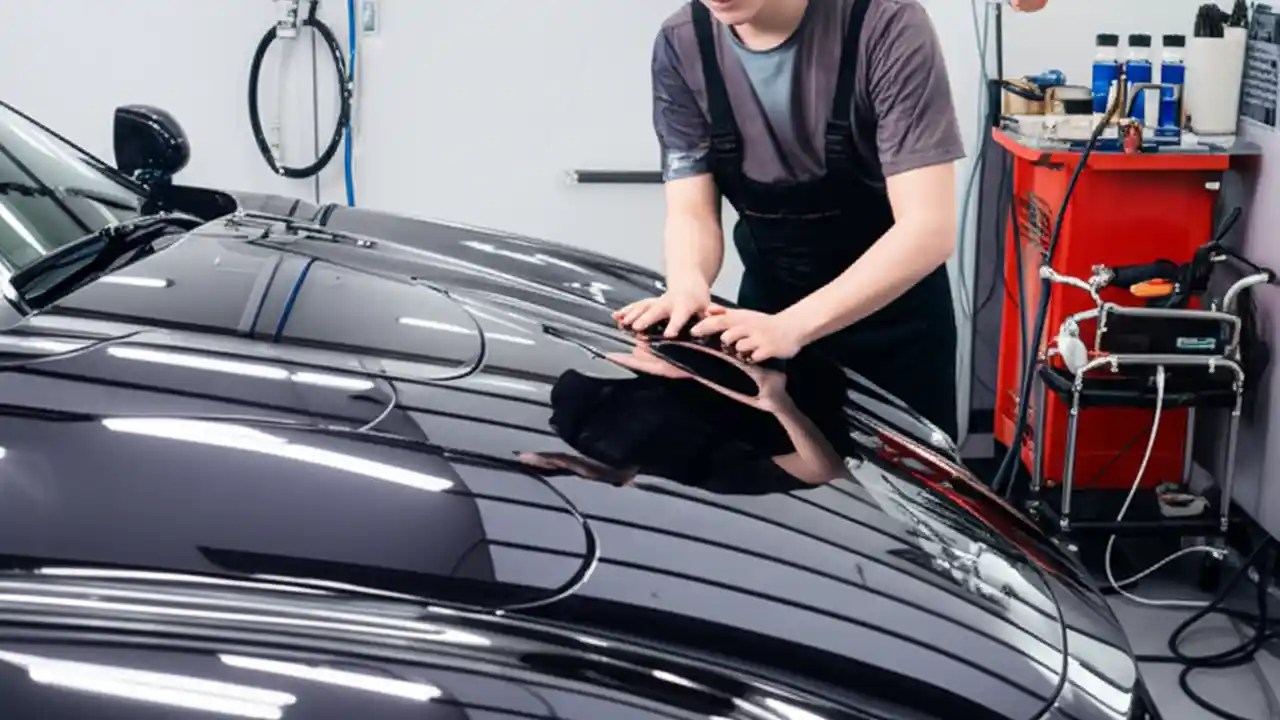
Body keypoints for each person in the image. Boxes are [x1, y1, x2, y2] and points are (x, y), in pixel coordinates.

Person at [616, 0, 979, 438]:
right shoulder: (682, 42)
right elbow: (692, 210)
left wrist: (795, 326)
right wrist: (688, 284)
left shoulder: (886, 23)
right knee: (786, 493)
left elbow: (927, 229)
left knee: (887, 501)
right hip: (765, 317)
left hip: (895, 328)